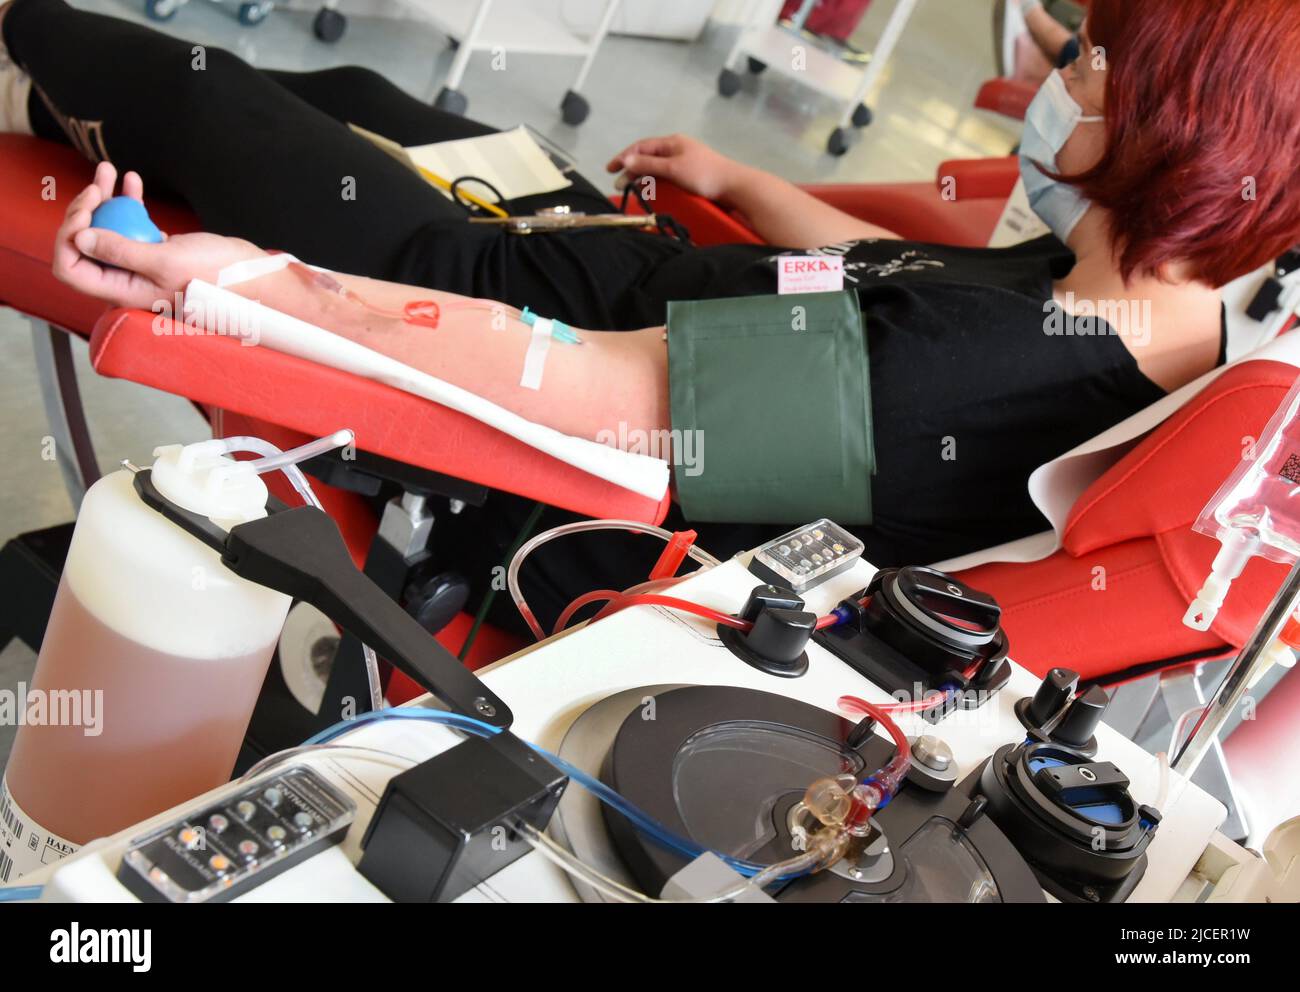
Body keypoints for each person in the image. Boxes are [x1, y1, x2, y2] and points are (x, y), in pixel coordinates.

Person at [4, 0, 1300, 634]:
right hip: (611, 252)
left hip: (493, 294)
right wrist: (749, 184)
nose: (1048, 83)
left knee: (189, 92)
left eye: (1085, 64)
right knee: (350, 86)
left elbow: (572, 390)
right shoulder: (1133, 307)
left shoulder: (950, 382)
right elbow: (895, 275)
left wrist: (257, 290)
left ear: (1181, 128)